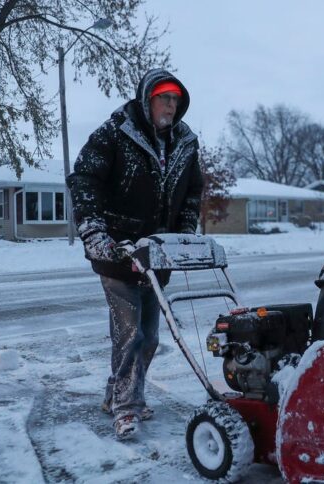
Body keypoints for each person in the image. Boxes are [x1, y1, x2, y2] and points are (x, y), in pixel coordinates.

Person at [67, 68, 203, 439]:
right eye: (164, 98)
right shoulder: (115, 133)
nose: (171, 106)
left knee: (151, 336)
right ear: (147, 99)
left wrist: (183, 235)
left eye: (176, 99)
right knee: (130, 335)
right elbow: (84, 179)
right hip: (118, 252)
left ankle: (118, 393)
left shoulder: (186, 143)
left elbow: (193, 193)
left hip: (157, 254)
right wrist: (94, 230)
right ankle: (127, 408)